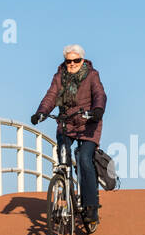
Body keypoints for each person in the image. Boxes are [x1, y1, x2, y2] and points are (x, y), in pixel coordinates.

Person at [30, 44, 106, 224]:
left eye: (76, 60)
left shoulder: (92, 75)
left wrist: (97, 110)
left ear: (82, 60)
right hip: (67, 123)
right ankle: (63, 200)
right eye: (68, 61)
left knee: (84, 159)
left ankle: (91, 207)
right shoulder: (59, 77)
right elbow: (51, 96)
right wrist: (41, 112)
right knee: (63, 158)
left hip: (89, 123)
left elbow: (99, 94)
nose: (72, 64)